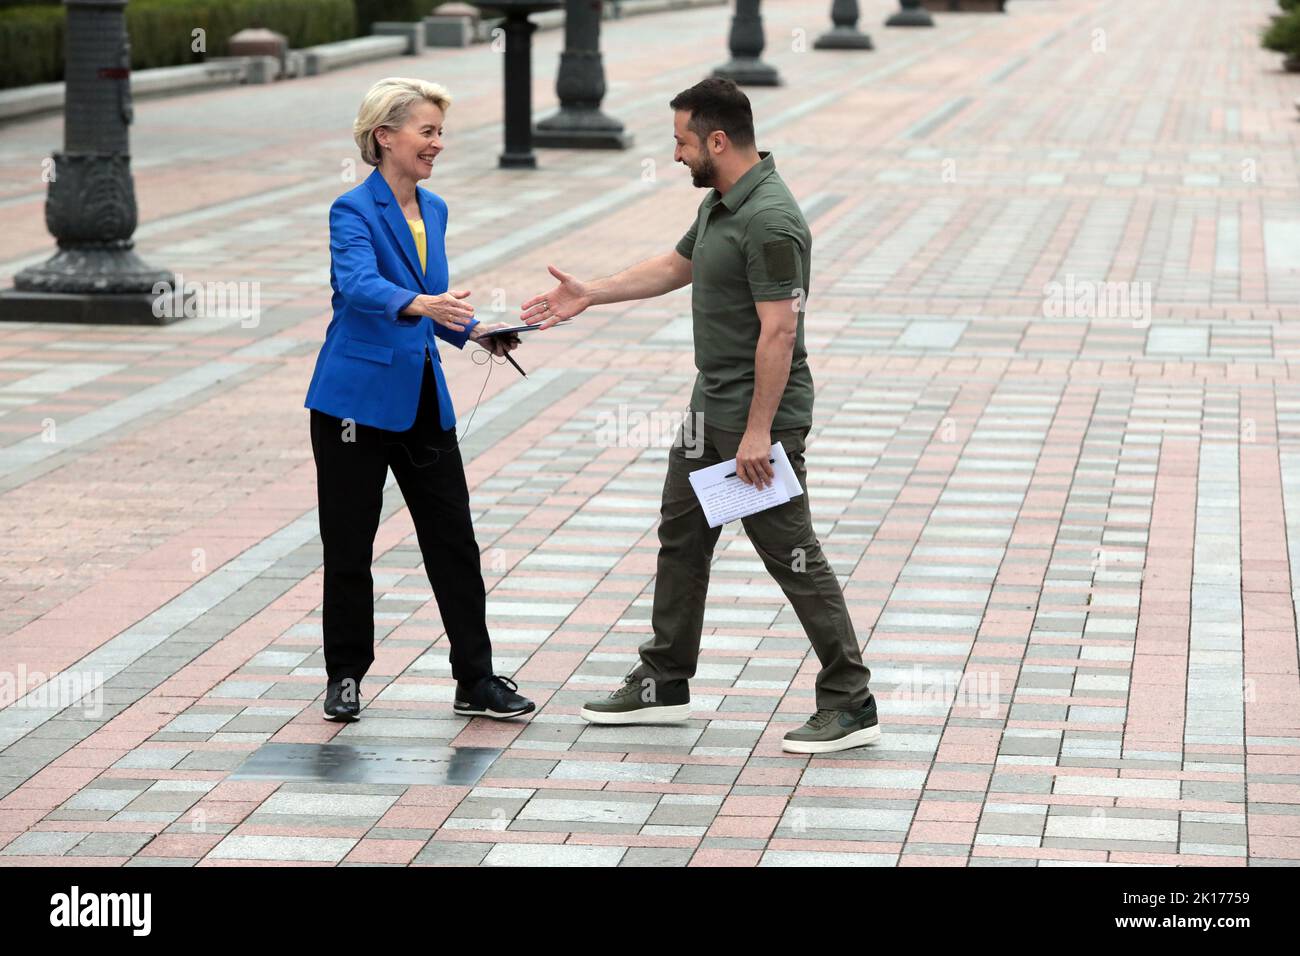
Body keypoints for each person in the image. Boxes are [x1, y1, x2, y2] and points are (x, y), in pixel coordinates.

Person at [520, 78, 877, 754]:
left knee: (792, 555)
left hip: (752, 420)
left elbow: (778, 332)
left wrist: (758, 434)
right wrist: (589, 293)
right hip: (705, 410)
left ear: (718, 140)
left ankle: (851, 700)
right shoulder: (724, 202)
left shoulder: (771, 219)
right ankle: (663, 681)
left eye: (682, 142)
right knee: (682, 539)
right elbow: (674, 266)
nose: (676, 154)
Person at [304, 77, 534, 723]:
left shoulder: (433, 209)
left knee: (454, 540)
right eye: (427, 131)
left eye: (439, 131)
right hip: (351, 402)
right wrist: (422, 305)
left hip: (423, 401)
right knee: (348, 544)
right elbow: (357, 284)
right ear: (385, 136)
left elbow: (432, 299)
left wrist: (475, 330)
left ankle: (477, 680)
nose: (438, 143)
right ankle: (345, 675)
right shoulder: (351, 210)